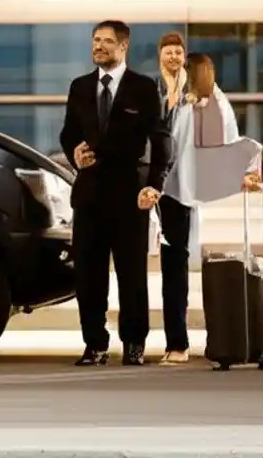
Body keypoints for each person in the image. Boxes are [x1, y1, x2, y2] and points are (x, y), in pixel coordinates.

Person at [60, 20, 174, 367]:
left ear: (123, 46)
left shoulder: (142, 88)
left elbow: (161, 140)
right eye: (96, 40)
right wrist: (74, 154)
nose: (99, 46)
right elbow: (68, 134)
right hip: (89, 195)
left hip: (130, 195)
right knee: (89, 276)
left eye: (107, 41)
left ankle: (134, 345)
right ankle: (94, 344)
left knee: (132, 276)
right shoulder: (79, 87)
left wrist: (155, 184)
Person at [158, 53, 263, 363]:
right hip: (198, 195)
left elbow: (167, 146)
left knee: (174, 271)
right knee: (182, 270)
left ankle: (177, 344)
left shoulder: (182, 106)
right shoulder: (219, 103)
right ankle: (208, 341)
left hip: (173, 194)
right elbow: (233, 145)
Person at [153, 32, 193, 365]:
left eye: (178, 52)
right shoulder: (151, 90)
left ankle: (177, 343)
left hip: (181, 190)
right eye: (168, 52)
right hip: (150, 186)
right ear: (159, 56)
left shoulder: (199, 93)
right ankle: (134, 341)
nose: (174, 57)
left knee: (175, 263)